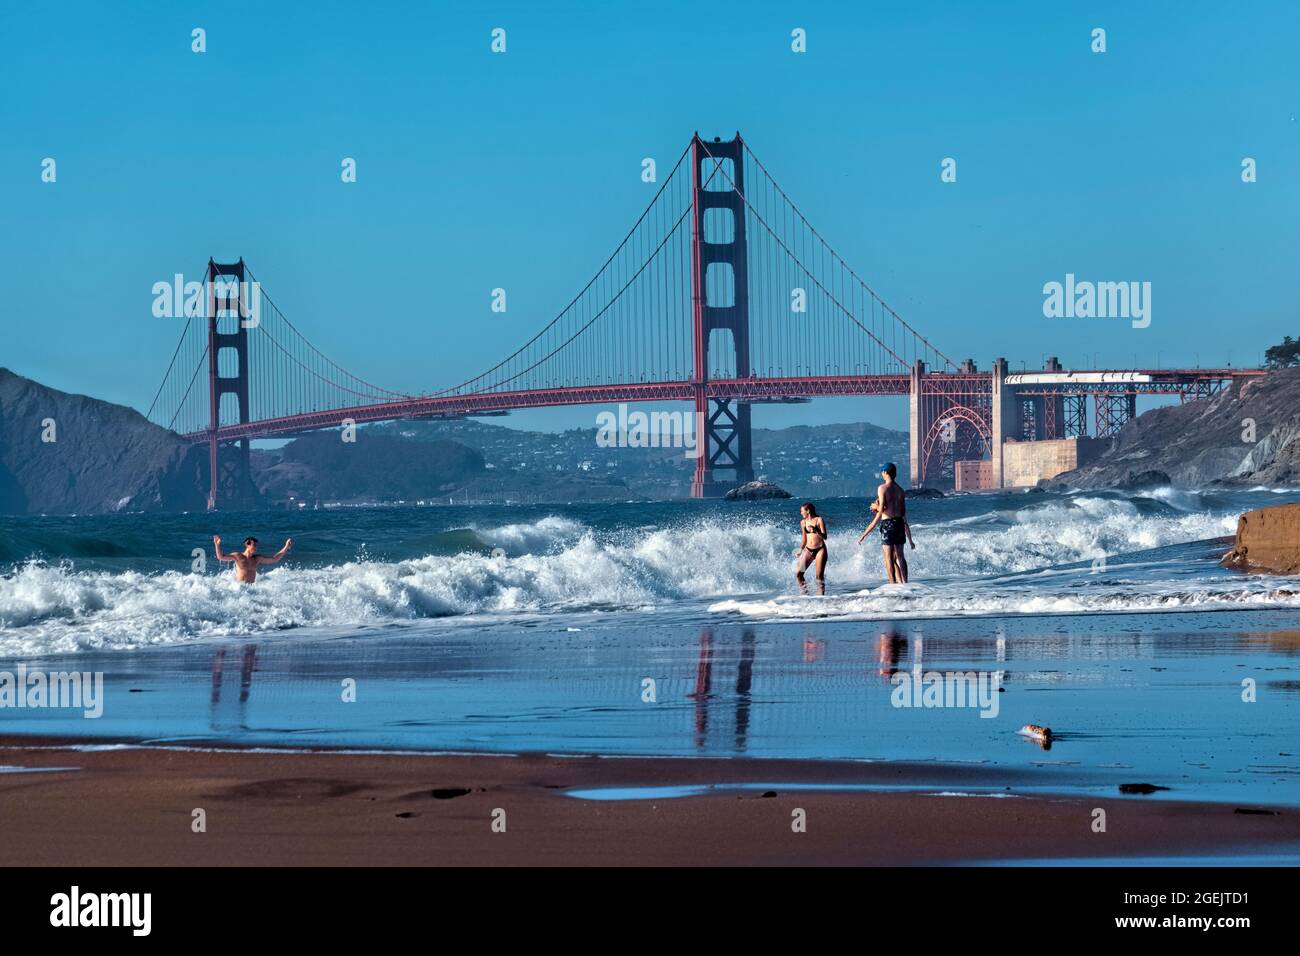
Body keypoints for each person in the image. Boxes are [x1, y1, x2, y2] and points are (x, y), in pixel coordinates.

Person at [858, 463, 915, 583]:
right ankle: (905, 583)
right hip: (899, 523)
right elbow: (903, 512)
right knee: (901, 556)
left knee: (888, 558)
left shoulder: (882, 488)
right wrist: (910, 539)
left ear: (885, 472)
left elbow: (882, 509)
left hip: (888, 524)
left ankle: (892, 584)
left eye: (882, 472)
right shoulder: (900, 490)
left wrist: (875, 506)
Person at [213, 535, 292, 584]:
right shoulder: (237, 556)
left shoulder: (257, 559)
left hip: (251, 591)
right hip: (240, 589)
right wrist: (217, 545)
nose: (255, 547)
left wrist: (286, 546)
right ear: (247, 545)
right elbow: (221, 557)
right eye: (254, 545)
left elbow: (275, 559)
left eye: (256, 545)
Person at [795, 502, 828, 595]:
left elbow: (825, 537)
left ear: (808, 511)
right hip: (809, 550)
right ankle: (806, 595)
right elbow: (804, 539)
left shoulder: (819, 520)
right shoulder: (803, 522)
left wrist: (816, 530)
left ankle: (821, 598)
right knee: (799, 573)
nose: (801, 513)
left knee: (819, 577)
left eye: (802, 511)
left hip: (820, 550)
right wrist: (800, 550)